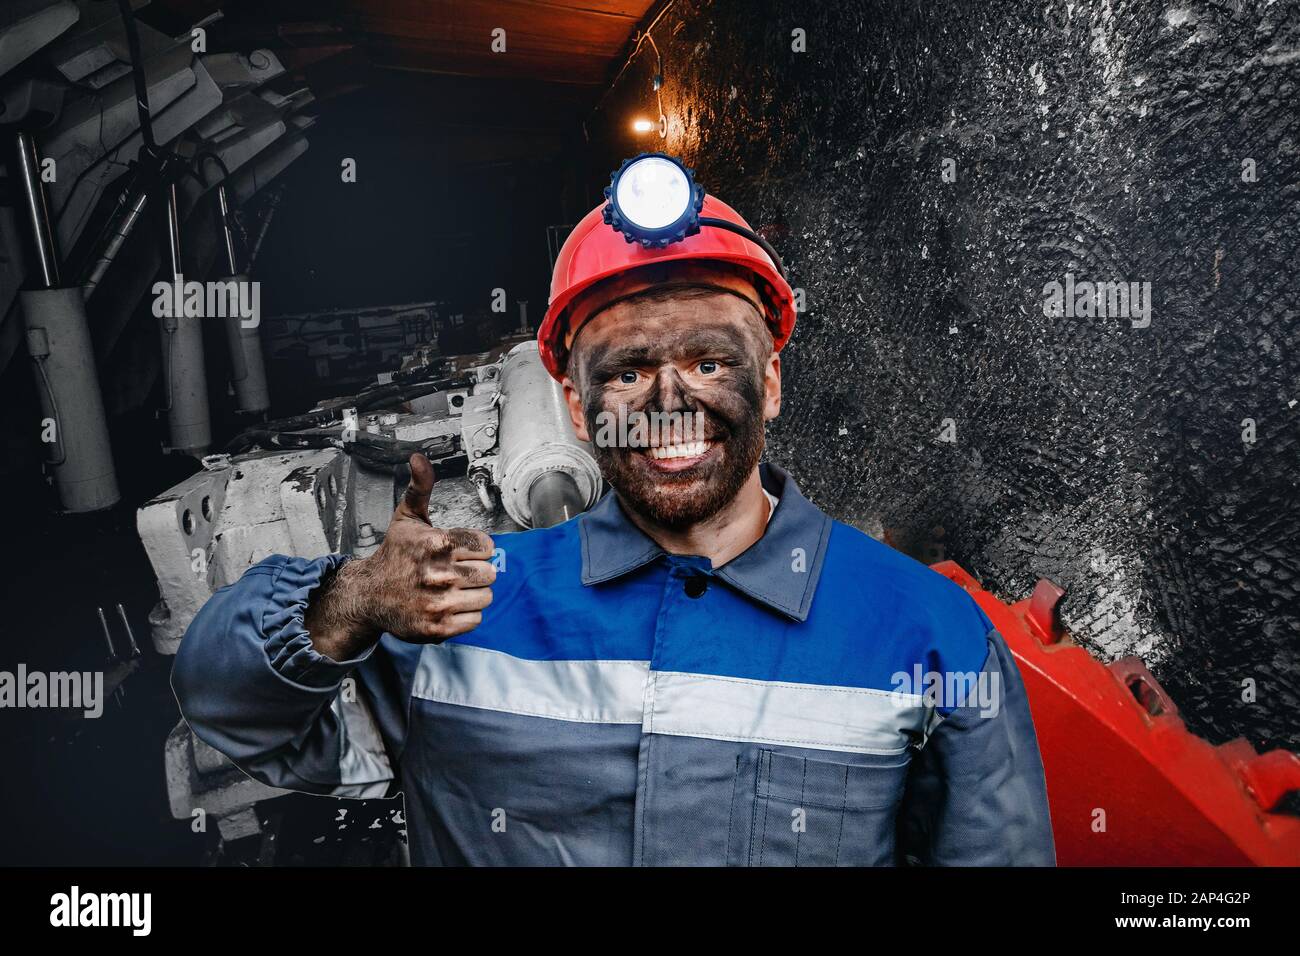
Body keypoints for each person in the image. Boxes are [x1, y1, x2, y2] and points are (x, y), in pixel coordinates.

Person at [172, 157, 1055, 866]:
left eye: (711, 361)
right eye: (627, 371)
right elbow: (228, 712)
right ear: (574, 403)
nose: (671, 400)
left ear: (773, 380)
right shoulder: (460, 610)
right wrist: (348, 600)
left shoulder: (926, 634)